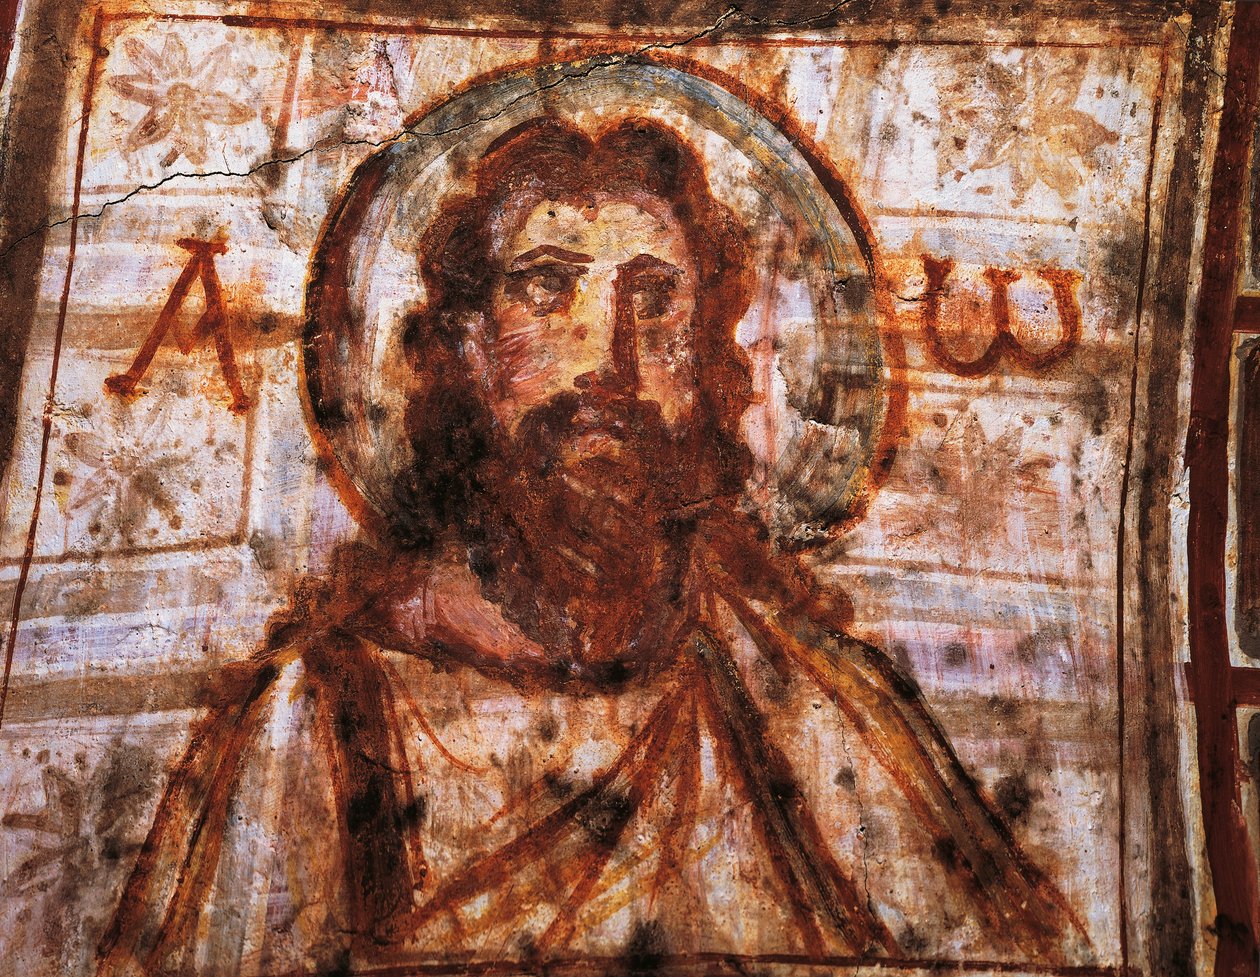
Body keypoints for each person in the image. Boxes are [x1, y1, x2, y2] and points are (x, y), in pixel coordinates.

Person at [97, 117, 1089, 976]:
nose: (607, 359)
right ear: (468, 347)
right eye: (546, 286)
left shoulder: (818, 706)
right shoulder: (313, 722)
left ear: (707, 368)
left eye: (654, 300)